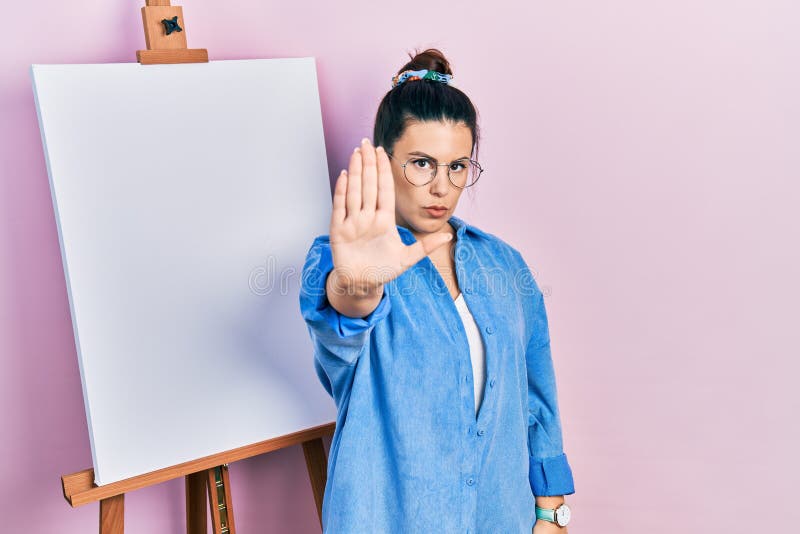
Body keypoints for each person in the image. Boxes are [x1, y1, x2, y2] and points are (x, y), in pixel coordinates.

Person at [299, 48, 575, 533]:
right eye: (422, 164)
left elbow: (537, 395)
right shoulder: (338, 260)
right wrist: (358, 285)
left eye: (457, 166)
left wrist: (550, 513)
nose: (442, 187)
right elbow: (341, 325)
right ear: (383, 161)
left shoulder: (505, 266)